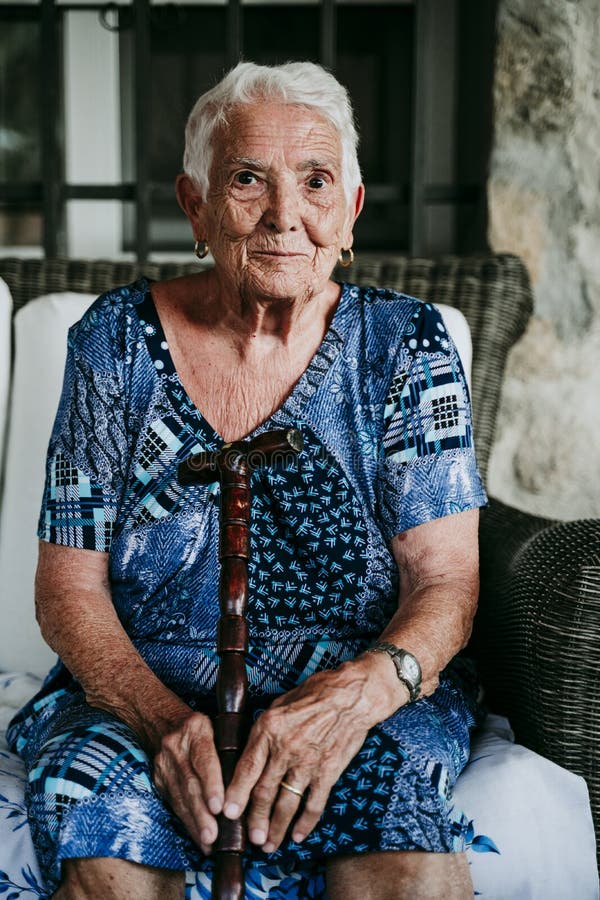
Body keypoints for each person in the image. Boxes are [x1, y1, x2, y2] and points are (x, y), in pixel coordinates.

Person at [8, 61, 488, 899]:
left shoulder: (406, 347)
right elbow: (67, 590)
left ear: (351, 212)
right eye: (246, 180)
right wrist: (163, 724)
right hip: (141, 691)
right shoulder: (113, 343)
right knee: (104, 849)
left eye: (315, 181)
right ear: (194, 205)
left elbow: (446, 581)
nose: (284, 215)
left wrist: (358, 696)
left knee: (404, 856)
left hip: (358, 687)